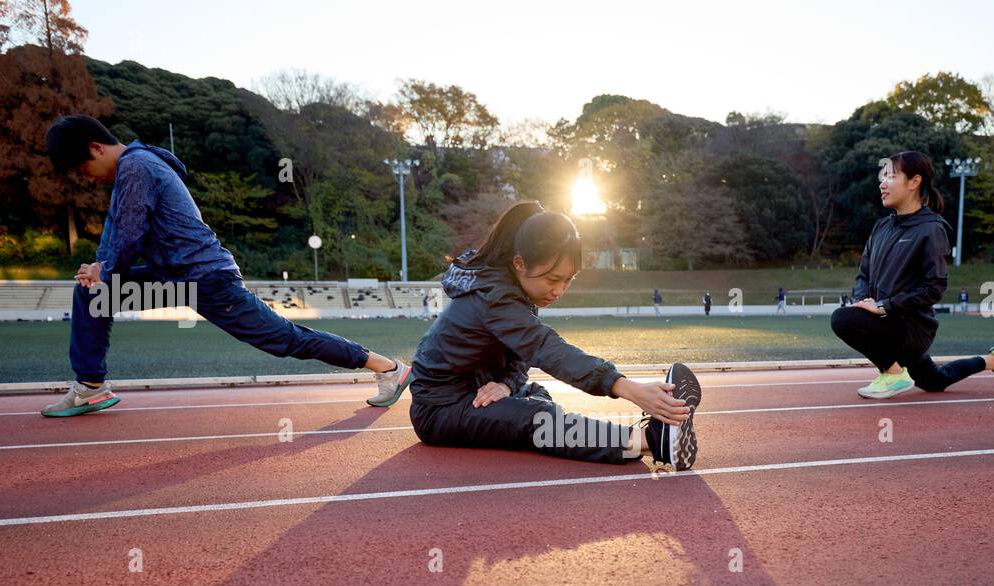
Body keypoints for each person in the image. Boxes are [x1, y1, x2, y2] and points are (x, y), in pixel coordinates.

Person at [40, 115, 410, 417]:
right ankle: (90, 387)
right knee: (92, 294)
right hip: (175, 277)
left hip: (205, 279)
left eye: (83, 169)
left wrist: (106, 268)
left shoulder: (137, 166)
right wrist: (100, 268)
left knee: (283, 339)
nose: (86, 177)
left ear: (95, 147)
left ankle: (388, 369)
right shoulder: (131, 169)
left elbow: (132, 231)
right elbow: (118, 226)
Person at [408, 201, 701, 469]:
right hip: (440, 409)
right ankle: (652, 442)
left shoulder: (512, 288)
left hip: (475, 390)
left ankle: (549, 429)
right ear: (519, 263)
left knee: (536, 398)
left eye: (568, 280)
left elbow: (522, 353)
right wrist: (626, 387)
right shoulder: (493, 295)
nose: (559, 291)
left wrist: (508, 385)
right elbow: (545, 347)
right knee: (535, 418)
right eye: (552, 279)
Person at [829, 150, 994, 400]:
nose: (882, 183)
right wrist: (862, 302)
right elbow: (863, 275)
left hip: (911, 328)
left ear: (914, 182)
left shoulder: (931, 229)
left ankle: (893, 374)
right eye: (882, 177)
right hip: (884, 323)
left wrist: (883, 306)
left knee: (841, 319)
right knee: (935, 381)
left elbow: (934, 287)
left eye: (890, 176)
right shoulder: (881, 227)